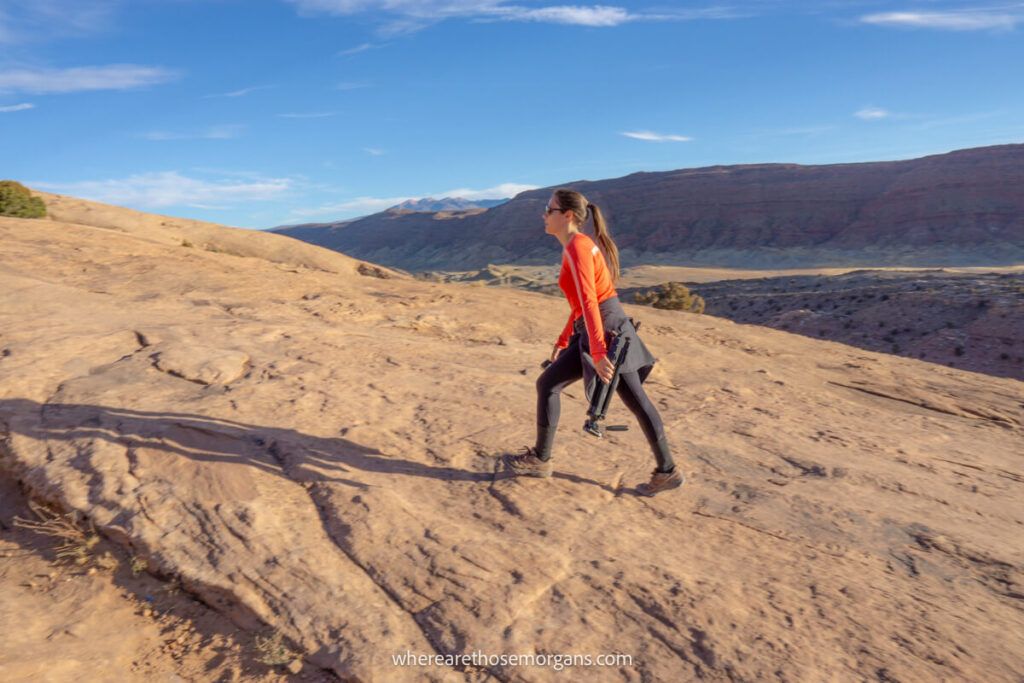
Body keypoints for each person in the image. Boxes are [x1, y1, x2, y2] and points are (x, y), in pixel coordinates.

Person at [504, 188, 684, 496]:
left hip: (606, 330)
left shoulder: (578, 246)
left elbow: (590, 301)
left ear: (567, 215)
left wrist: (599, 352)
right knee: (550, 384)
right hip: (597, 327)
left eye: (549, 209)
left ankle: (667, 471)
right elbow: (580, 303)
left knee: (633, 399)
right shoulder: (576, 246)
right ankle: (541, 459)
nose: (544, 215)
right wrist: (564, 338)